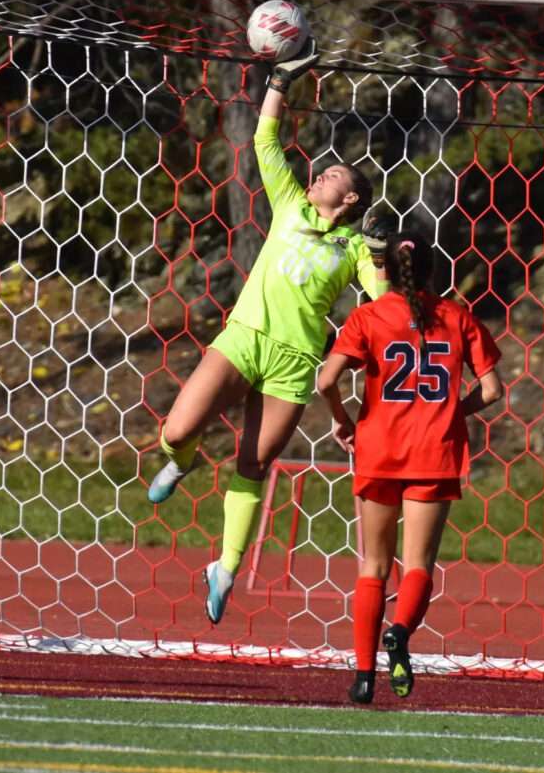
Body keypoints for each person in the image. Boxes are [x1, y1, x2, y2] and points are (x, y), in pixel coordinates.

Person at [146, 39, 394, 624]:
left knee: (252, 465)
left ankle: (224, 568)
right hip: (244, 336)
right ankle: (181, 460)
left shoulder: (355, 245)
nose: (320, 172)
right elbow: (264, 141)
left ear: (350, 198)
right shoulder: (289, 205)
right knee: (179, 428)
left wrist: (382, 256)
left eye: (333, 173)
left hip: (294, 363)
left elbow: (380, 305)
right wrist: (280, 82)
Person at [317, 232, 503, 704]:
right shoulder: (459, 318)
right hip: (434, 451)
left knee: (373, 565)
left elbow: (325, 380)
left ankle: (363, 677)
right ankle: (399, 632)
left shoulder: (368, 315)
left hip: (379, 449)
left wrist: (342, 420)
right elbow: (493, 389)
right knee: (417, 564)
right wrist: (450, 411)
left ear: (384, 271)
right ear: (433, 273)